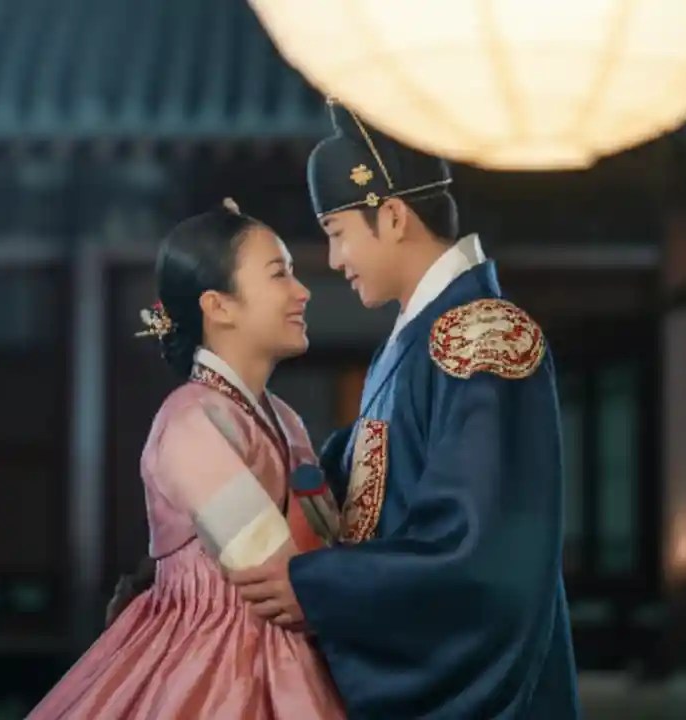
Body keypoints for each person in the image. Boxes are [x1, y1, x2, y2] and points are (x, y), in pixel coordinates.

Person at [228, 100, 582, 719]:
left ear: (391, 217)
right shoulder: (421, 338)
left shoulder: (481, 334)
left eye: (338, 234)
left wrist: (314, 586)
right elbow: (348, 481)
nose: (335, 261)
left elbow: (477, 552)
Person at [27, 200, 345, 720]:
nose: (301, 290)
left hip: (291, 641)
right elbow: (273, 575)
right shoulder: (190, 422)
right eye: (279, 274)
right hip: (220, 656)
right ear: (218, 306)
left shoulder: (283, 417)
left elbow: (316, 545)